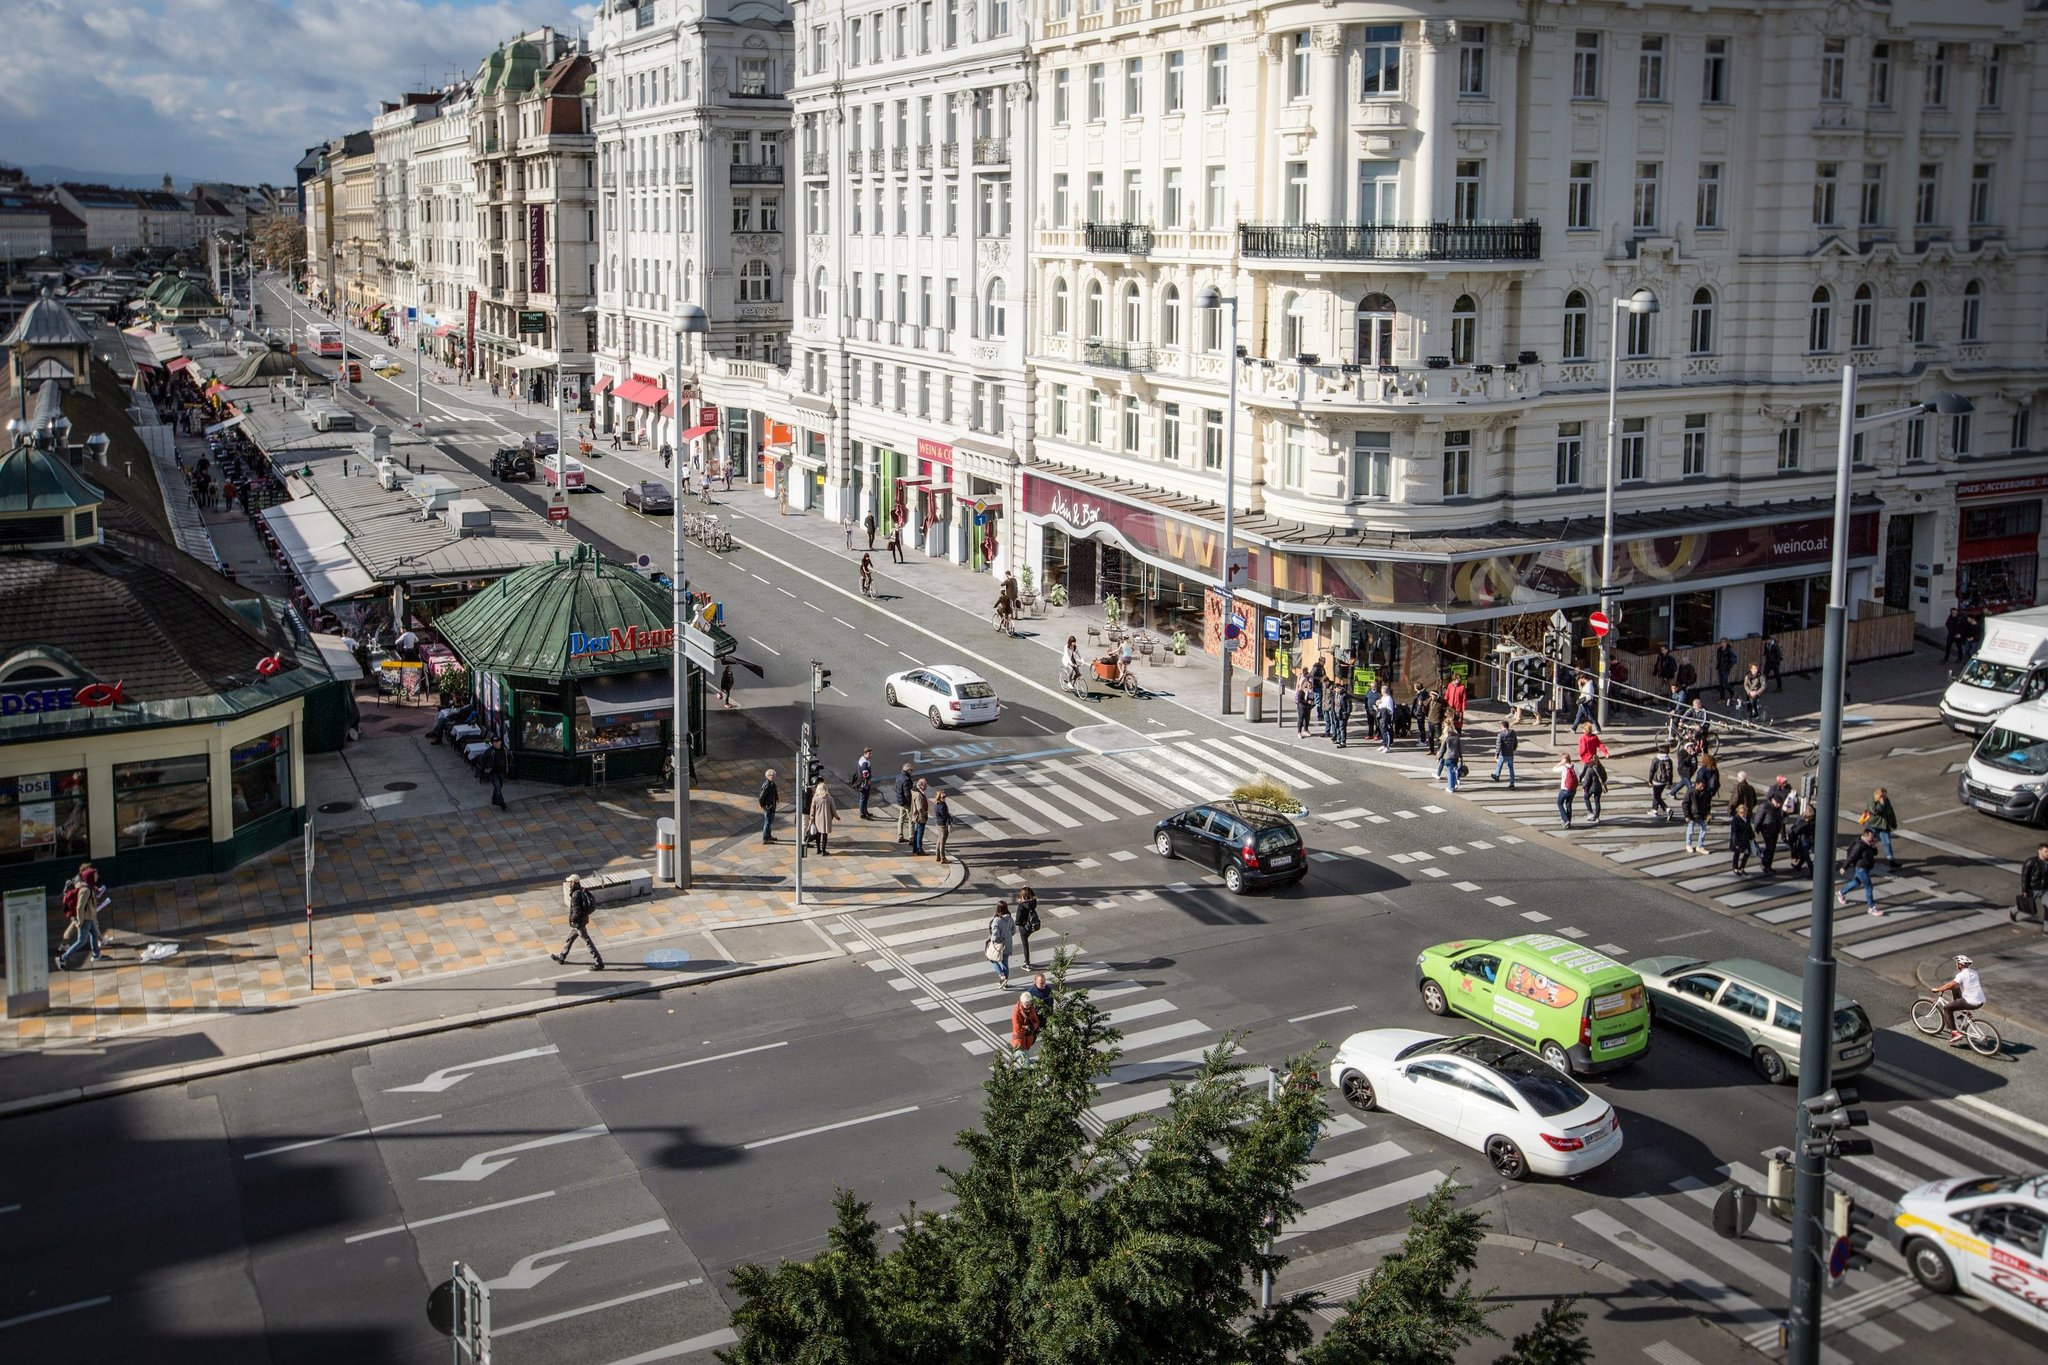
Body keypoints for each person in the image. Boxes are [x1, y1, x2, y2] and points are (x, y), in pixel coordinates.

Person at [552, 874, 605, 970]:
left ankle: (599, 962)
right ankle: (562, 956)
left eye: (569, 882)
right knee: (570, 938)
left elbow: (576, 911)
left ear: (573, 883)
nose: (568, 883)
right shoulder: (580, 890)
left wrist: (573, 919)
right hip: (582, 920)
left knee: (587, 942)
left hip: (579, 923)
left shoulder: (576, 895)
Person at [1933, 955, 1987, 1042]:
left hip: (1970, 1002)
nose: (1956, 965)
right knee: (1956, 988)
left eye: (1957, 963)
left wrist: (1939, 989)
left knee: (1947, 1008)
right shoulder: (1974, 972)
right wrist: (1949, 987)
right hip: (1980, 1001)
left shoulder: (1961, 975)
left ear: (1960, 965)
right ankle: (1965, 1011)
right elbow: (1956, 986)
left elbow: (1950, 984)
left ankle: (1955, 1033)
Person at [1839, 828, 1882, 915]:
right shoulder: (1859, 845)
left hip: (1865, 867)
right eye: (1871, 836)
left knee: (1856, 882)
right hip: (1861, 868)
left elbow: (1875, 853)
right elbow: (1852, 856)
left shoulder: (1868, 843)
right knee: (1869, 887)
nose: (1873, 837)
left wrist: (1873, 846)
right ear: (1866, 835)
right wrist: (1844, 867)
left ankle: (1841, 893)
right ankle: (1871, 907)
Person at [1861, 787, 1901, 870]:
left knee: (1887, 843)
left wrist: (1893, 823)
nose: (1885, 798)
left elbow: (1890, 811)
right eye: (1883, 796)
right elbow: (1874, 811)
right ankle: (1863, 857)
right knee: (1868, 841)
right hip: (1873, 825)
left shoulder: (1886, 800)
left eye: (1885, 796)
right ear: (1878, 795)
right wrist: (1881, 804)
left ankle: (1891, 860)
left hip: (1884, 825)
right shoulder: (1872, 800)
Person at [985, 900, 1016, 988]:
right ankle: (1005, 983)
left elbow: (995, 936)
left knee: (992, 959)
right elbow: (1013, 931)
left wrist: (993, 940)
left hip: (999, 945)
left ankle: (1002, 976)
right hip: (1008, 944)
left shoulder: (996, 920)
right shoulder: (1010, 918)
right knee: (1005, 963)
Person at [2018, 843, 2048, 924]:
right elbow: (2025, 877)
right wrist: (2024, 890)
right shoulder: (2031, 862)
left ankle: (2046, 927)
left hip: (2044, 889)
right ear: (2040, 851)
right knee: (2025, 905)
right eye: (2046, 851)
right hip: (2033, 889)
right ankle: (2014, 910)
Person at [1013, 885, 1042, 968]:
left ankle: (1027, 963)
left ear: (1023, 896)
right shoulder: (1034, 902)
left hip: (1024, 927)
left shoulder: (1021, 905)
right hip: (1033, 925)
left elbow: (1018, 920)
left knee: (1025, 944)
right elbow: (1031, 897)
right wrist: (1025, 890)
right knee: (1026, 940)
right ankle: (1027, 962)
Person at [808, 778, 837, 855]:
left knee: (818, 834)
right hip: (827, 819)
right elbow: (833, 808)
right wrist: (836, 816)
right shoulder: (829, 798)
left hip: (818, 819)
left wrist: (811, 818)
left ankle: (818, 849)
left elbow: (812, 809)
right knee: (825, 835)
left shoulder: (815, 798)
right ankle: (824, 851)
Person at [1010, 991, 1043, 1056]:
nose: (1028, 1005)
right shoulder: (1016, 1012)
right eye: (1026, 1004)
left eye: (1030, 1003)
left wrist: (1032, 1026)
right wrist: (1027, 1027)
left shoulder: (1032, 1009)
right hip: (1019, 1039)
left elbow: (1036, 1021)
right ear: (1022, 1002)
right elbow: (1017, 1027)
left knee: (1024, 1055)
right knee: (1024, 1058)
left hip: (1028, 1038)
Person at [1647, 746, 1674, 822]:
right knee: (1657, 795)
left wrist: (1650, 780)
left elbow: (1652, 770)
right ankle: (1654, 810)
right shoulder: (1669, 760)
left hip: (1657, 781)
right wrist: (1670, 782)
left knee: (1657, 797)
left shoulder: (1656, 760)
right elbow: (1671, 772)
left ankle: (1668, 810)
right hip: (1665, 781)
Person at [1728, 802, 1755, 875]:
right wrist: (1736, 843)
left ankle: (1742, 867)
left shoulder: (1747, 818)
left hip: (1746, 839)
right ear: (1738, 813)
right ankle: (1735, 868)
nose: (1744, 814)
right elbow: (1734, 833)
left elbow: (1749, 828)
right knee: (1737, 853)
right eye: (1742, 812)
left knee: (1747, 853)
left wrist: (1752, 836)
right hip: (1739, 840)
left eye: (1745, 812)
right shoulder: (1735, 820)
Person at [1438, 722, 1465, 793]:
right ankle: (1454, 784)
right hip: (1455, 757)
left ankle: (1451, 787)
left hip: (1448, 757)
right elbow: (1459, 748)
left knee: (1450, 773)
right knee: (1453, 771)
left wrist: (1439, 757)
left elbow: (1442, 749)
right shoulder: (1456, 737)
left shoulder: (1446, 738)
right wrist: (1461, 757)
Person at [1491, 720, 1518, 788]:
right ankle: (1512, 784)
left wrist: (1496, 755)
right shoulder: (1513, 733)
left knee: (1499, 765)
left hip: (1503, 753)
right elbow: (1516, 742)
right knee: (1511, 769)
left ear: (1502, 726)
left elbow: (1498, 746)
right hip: (1510, 753)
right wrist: (1513, 749)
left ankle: (1497, 776)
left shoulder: (1500, 734)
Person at [1579, 752, 1605, 824]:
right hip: (1599, 788)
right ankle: (1597, 817)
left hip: (1591, 787)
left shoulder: (1590, 768)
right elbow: (1605, 778)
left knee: (1586, 797)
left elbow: (1586, 780)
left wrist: (1584, 787)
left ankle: (1590, 812)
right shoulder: (1601, 768)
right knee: (1597, 802)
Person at [1554, 754, 1579, 828]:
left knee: (1559, 803)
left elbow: (1554, 769)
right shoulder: (1575, 766)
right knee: (1569, 804)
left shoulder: (1563, 767)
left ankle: (1566, 820)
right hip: (1573, 790)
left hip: (1565, 790)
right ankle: (1569, 822)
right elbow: (1578, 777)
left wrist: (1561, 763)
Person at [909, 778, 932, 856]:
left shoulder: (916, 791)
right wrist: (925, 813)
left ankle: (915, 848)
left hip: (917, 815)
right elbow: (919, 808)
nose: (926, 786)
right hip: (920, 816)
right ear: (921, 785)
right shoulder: (918, 794)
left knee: (916, 831)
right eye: (925, 785)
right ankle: (919, 849)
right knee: (920, 833)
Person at [485, 737, 508, 809]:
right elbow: (483, 758)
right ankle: (501, 802)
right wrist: (486, 768)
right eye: (494, 742)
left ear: (500, 742)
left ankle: (494, 799)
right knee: (498, 787)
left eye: (496, 742)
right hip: (493, 772)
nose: (495, 743)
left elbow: (508, 758)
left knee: (499, 786)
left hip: (501, 771)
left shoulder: (504, 750)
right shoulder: (490, 751)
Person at [894, 763, 915, 842]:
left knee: (901, 818)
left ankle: (900, 835)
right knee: (911, 820)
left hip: (900, 801)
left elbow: (897, 788)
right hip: (906, 803)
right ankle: (911, 837)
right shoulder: (906, 779)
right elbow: (907, 794)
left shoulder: (899, 776)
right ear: (908, 770)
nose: (912, 772)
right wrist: (911, 802)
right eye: (911, 770)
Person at [931, 787, 953, 863]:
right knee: (942, 842)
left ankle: (937, 856)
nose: (945, 798)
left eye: (945, 796)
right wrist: (949, 816)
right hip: (943, 825)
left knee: (939, 840)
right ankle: (943, 858)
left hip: (938, 823)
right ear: (939, 797)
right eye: (943, 797)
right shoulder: (942, 806)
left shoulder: (936, 804)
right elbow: (945, 815)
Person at [758, 768, 780, 843]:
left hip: (771, 806)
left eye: (774, 775)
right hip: (768, 807)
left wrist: (777, 799)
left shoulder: (771, 783)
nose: (774, 776)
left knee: (770, 821)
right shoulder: (767, 785)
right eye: (772, 775)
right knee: (767, 822)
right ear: (768, 776)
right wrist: (761, 804)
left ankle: (769, 836)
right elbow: (761, 797)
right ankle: (765, 839)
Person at [853, 747, 875, 819]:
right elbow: (865, 773)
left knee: (865, 798)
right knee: (864, 798)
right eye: (869, 753)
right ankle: (863, 814)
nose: (871, 755)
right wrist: (868, 780)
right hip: (864, 783)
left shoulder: (862, 758)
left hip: (862, 782)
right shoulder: (865, 762)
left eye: (871, 753)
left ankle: (865, 811)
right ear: (865, 753)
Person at [1714, 638, 1737, 702]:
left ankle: (1732, 693)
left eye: (1723, 642)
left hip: (1725, 669)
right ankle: (1722, 698)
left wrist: (1728, 667)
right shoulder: (1719, 650)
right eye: (1721, 642)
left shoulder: (1729, 651)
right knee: (1721, 684)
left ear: (1726, 643)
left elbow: (1734, 660)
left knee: (1724, 683)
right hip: (1720, 668)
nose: (1722, 644)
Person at [1331, 682, 1352, 748]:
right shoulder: (1334, 694)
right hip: (1335, 713)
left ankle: (1343, 742)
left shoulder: (1345, 695)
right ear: (1335, 689)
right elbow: (1332, 703)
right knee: (1337, 727)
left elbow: (1349, 705)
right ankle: (1338, 739)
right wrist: (1332, 712)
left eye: (1339, 688)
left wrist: (1347, 713)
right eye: (1337, 688)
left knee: (1342, 728)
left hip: (1342, 714)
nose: (1339, 689)